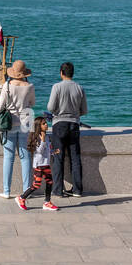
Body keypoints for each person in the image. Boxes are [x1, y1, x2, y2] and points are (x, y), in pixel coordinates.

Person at [46, 61, 87, 198]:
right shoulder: (79, 88)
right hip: (74, 124)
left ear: (61, 73)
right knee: (75, 158)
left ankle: (57, 189)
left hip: (59, 125)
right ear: (72, 73)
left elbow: (51, 108)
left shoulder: (56, 87)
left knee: (58, 157)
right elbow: (84, 110)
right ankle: (77, 190)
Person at [0, 60, 35, 198]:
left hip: (10, 124)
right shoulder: (30, 86)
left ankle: (6, 191)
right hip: (26, 123)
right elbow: (32, 103)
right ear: (24, 73)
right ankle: (26, 191)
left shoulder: (6, 86)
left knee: (8, 158)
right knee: (25, 157)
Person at [16, 115, 59, 211]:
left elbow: (47, 150)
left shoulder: (47, 137)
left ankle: (47, 202)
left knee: (50, 182)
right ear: (38, 126)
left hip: (46, 164)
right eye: (43, 124)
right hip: (39, 165)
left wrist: (53, 152)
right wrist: (43, 140)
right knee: (36, 184)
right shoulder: (37, 138)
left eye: (46, 123)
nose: (46, 125)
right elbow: (39, 151)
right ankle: (22, 198)